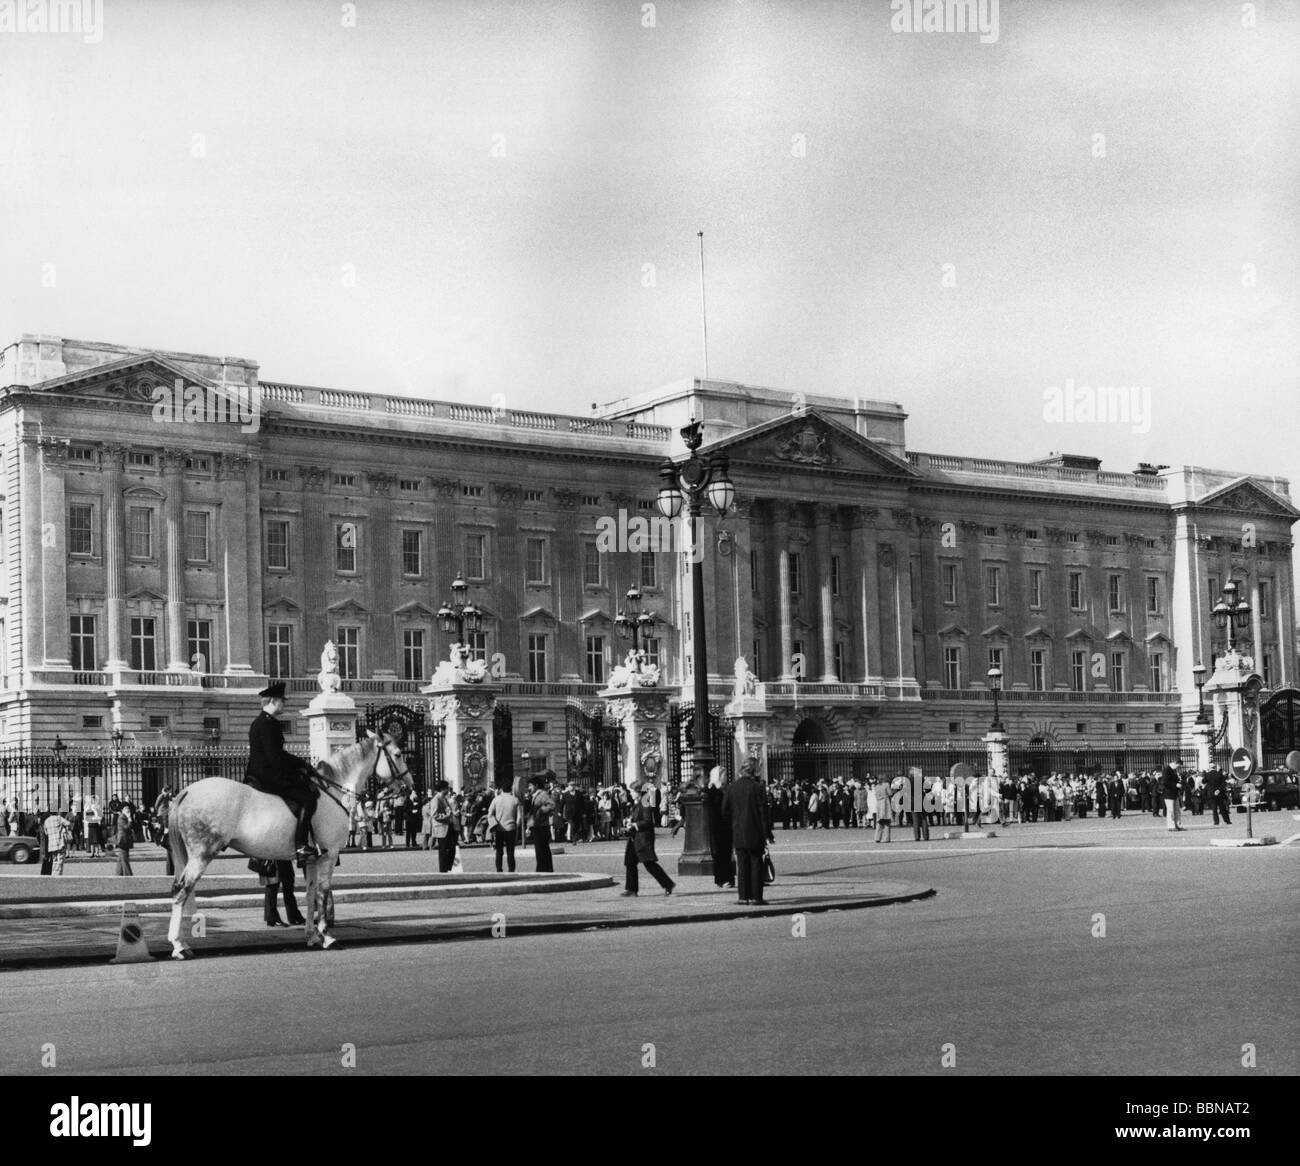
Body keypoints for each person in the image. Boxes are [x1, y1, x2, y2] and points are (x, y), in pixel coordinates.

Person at [244, 681, 321, 860]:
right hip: (269, 775)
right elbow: (275, 757)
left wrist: (300, 764)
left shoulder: (260, 722)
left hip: (260, 772)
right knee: (308, 799)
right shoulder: (268, 724)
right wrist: (300, 767)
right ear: (274, 701)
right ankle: (301, 845)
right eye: (282, 701)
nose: (284, 704)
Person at [721, 759, 773, 905]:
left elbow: (724, 811)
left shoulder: (732, 788)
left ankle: (743, 897)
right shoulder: (758, 787)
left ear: (741, 772)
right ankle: (757, 897)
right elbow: (763, 814)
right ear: (753, 772)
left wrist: (733, 824)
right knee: (756, 863)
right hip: (755, 832)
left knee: (742, 865)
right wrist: (767, 833)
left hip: (738, 832)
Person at [622, 781, 675, 897]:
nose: (631, 793)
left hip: (643, 839)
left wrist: (635, 825)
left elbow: (648, 821)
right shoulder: (637, 803)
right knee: (630, 862)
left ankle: (668, 884)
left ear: (638, 792)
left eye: (633, 791)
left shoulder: (645, 804)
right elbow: (638, 818)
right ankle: (631, 889)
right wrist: (630, 821)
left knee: (649, 864)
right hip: (635, 838)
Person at [704, 766, 735, 889]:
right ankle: (721, 879)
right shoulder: (711, 789)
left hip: (726, 825)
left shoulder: (725, 789)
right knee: (719, 853)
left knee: (727, 852)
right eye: (724, 775)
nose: (726, 777)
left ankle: (728, 878)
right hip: (717, 825)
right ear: (719, 776)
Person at [486, 783, 521, 873]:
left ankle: (499, 870)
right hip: (511, 827)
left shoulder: (496, 799)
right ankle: (511, 870)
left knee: (499, 851)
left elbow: (490, 814)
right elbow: (519, 817)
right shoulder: (515, 800)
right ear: (511, 789)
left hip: (499, 828)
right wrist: (517, 827)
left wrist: (493, 824)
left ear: (501, 789)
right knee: (510, 851)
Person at [430, 781, 460, 873]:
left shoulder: (443, 797)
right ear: (443, 789)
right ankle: (443, 870)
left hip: (447, 826)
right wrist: (447, 816)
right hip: (442, 827)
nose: (448, 789)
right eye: (447, 788)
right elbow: (434, 815)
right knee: (443, 851)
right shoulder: (436, 799)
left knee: (451, 848)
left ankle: (447, 868)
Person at [529, 775, 555, 872]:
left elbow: (552, 804)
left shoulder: (542, 794)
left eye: (530, 786)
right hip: (537, 824)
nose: (529, 788)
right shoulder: (536, 795)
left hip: (541, 825)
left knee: (542, 849)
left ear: (536, 785)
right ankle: (543, 867)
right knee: (540, 848)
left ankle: (544, 868)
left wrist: (541, 810)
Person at [1161, 759, 1185, 832]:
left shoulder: (1173, 770)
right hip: (1168, 794)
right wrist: (1175, 784)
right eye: (1178, 766)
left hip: (1174, 793)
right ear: (1175, 763)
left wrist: (1178, 780)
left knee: (1177, 810)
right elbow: (1165, 782)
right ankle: (1171, 826)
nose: (1179, 768)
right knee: (1170, 810)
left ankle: (1178, 825)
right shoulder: (1166, 770)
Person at [114, 802, 134, 875]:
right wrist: (129, 819)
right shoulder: (122, 817)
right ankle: (128, 874)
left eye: (128, 808)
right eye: (125, 808)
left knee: (121, 858)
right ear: (122, 810)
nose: (128, 810)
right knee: (124, 858)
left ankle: (118, 873)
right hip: (123, 839)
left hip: (125, 839)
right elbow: (126, 827)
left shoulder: (125, 817)